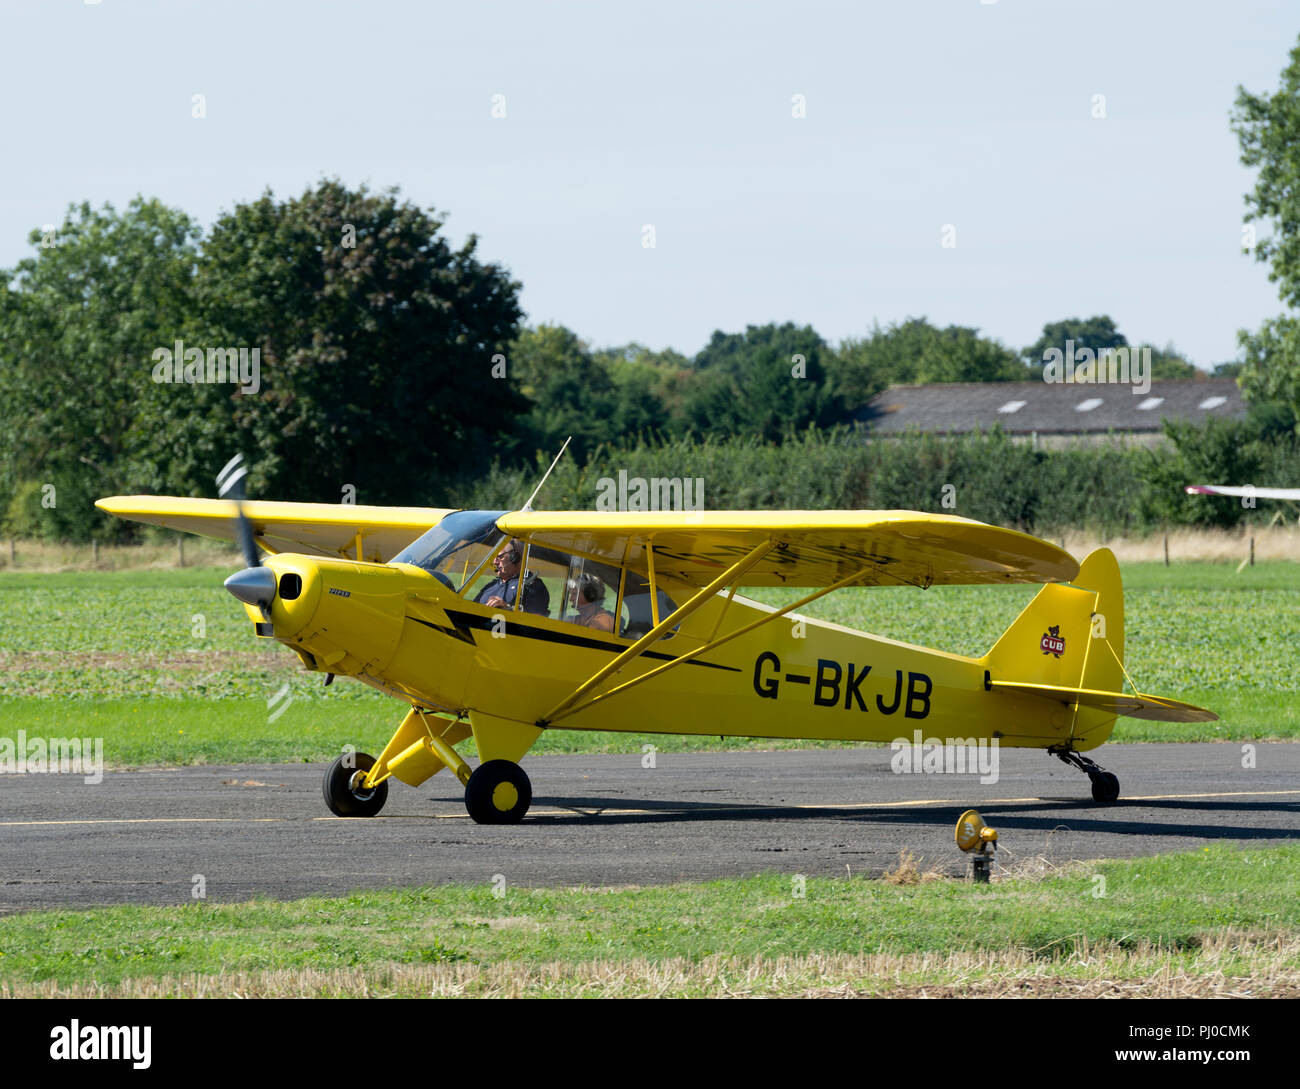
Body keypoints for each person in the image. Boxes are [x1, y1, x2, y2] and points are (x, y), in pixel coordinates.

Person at [476, 540, 550, 616]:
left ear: (515, 558)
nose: (495, 562)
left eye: (500, 557)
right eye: (494, 557)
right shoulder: (490, 586)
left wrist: (508, 609)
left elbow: (537, 620)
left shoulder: (533, 585)